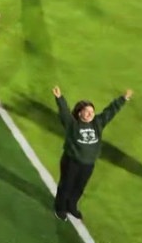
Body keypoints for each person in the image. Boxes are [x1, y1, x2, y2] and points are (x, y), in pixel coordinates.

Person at [52, 86, 132, 221]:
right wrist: (59, 98)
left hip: (88, 164)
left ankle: (72, 206)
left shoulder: (98, 123)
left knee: (79, 187)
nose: (90, 114)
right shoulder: (73, 125)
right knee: (66, 185)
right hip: (72, 161)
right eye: (86, 111)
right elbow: (64, 112)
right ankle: (60, 208)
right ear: (79, 114)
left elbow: (110, 112)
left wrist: (123, 99)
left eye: (92, 111)